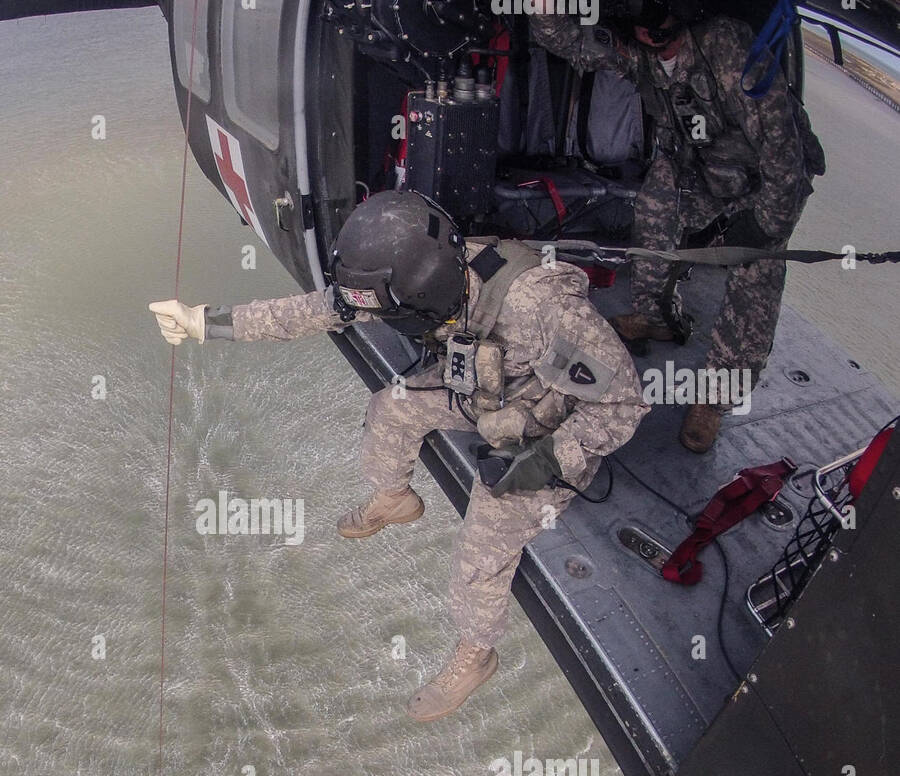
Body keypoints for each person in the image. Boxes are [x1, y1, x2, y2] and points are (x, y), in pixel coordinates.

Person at [150, 190, 647, 722]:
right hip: (484, 382)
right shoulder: (404, 283)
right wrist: (206, 321)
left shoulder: (543, 311)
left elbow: (623, 406)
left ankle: (476, 653)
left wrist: (544, 459)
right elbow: (313, 312)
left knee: (483, 544)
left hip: (546, 421)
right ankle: (394, 498)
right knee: (391, 408)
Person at [530, 2, 824, 453]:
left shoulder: (726, 48)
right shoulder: (641, 51)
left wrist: (763, 228)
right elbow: (570, 43)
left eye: (661, 24)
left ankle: (716, 399)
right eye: (643, 28)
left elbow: (787, 160)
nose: (652, 36)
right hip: (698, 166)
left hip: (763, 180)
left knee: (754, 277)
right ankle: (658, 319)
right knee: (654, 210)